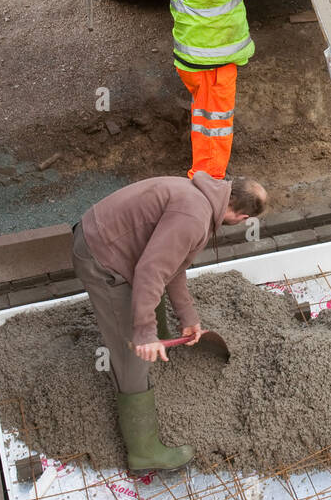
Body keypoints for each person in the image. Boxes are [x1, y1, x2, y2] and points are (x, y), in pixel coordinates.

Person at [71, 174, 268, 472]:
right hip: (102, 257)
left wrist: (188, 317)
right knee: (131, 353)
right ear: (241, 217)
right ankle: (143, 451)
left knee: (150, 294)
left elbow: (171, 268)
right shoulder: (193, 218)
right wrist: (144, 333)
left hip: (105, 235)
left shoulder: (201, 195)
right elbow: (150, 271)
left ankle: (159, 338)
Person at [170, 0, 287, 179]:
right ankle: (209, 184)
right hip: (209, 62)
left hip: (206, 59)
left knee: (206, 125)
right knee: (215, 128)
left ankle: (205, 178)